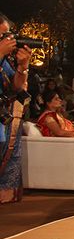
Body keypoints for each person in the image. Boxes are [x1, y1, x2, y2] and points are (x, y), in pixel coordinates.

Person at [0, 14, 31, 204]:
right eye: (3, 35)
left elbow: (17, 87)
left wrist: (23, 66)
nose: (8, 40)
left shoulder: (4, 61)